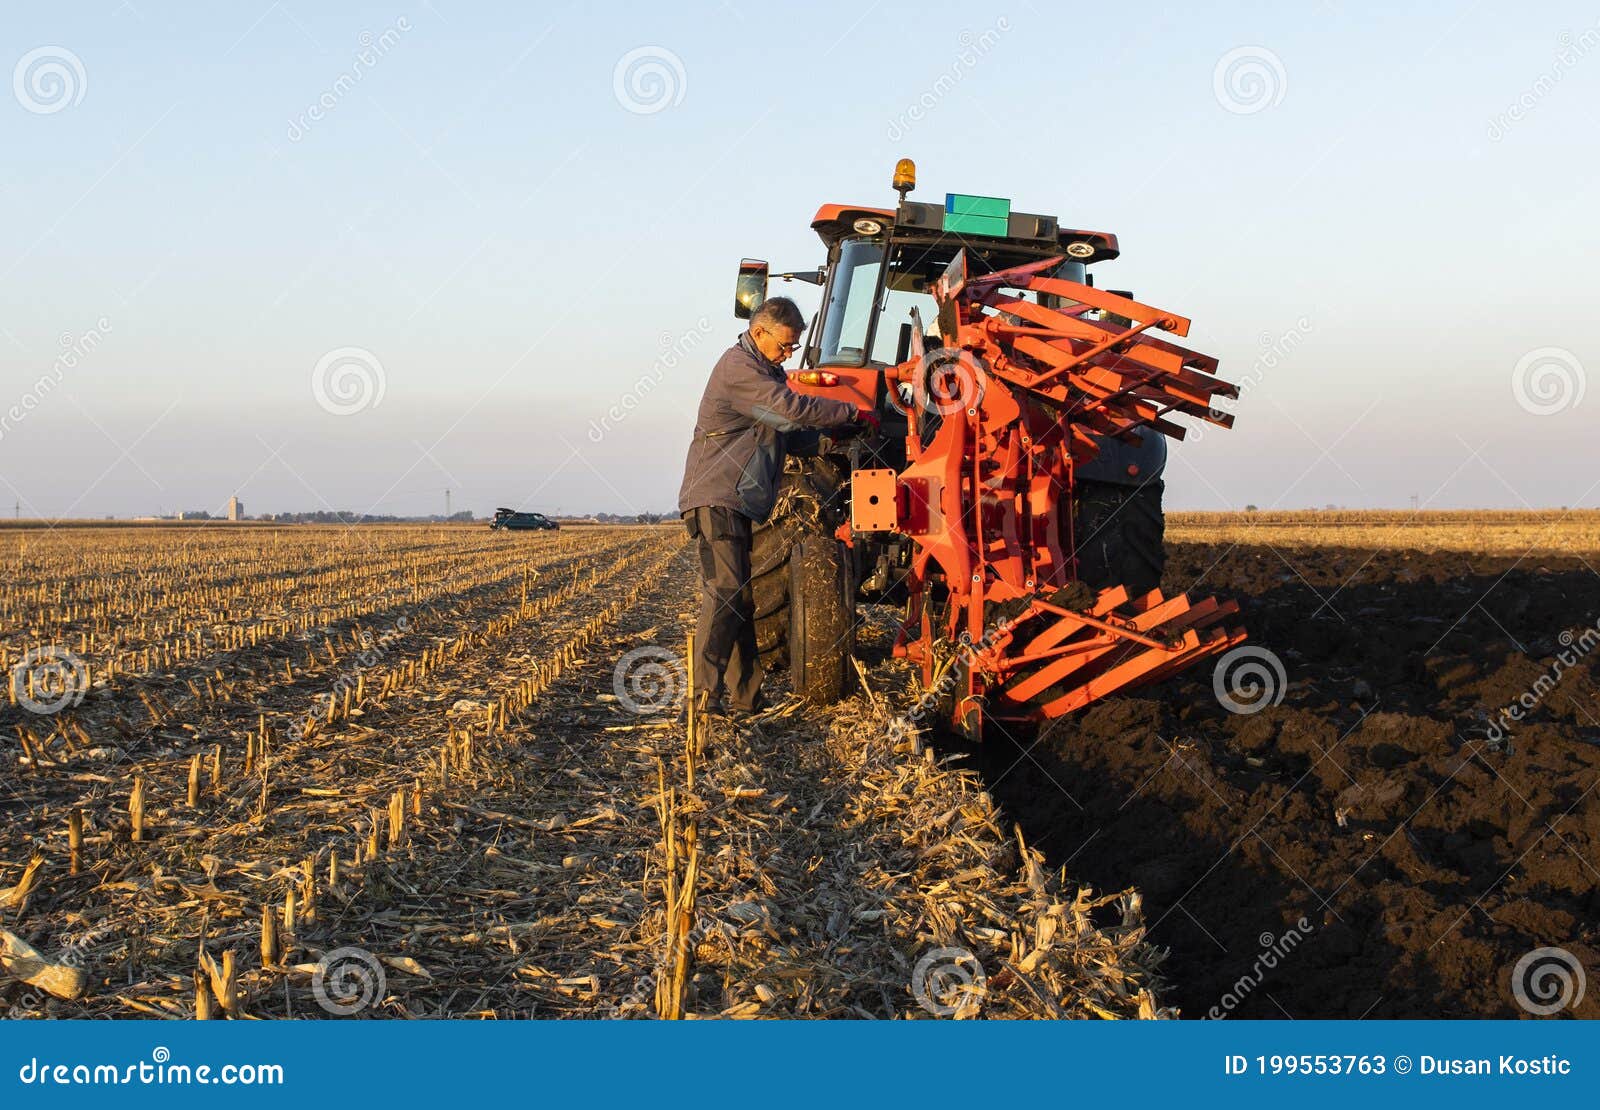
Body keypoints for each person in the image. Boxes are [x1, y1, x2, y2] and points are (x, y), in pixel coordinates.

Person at [677, 297, 865, 718]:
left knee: (740, 599)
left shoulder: (766, 371)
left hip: (739, 500)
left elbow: (784, 434)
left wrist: (835, 439)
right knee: (725, 593)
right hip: (716, 495)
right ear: (759, 331)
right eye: (784, 345)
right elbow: (790, 409)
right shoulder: (738, 369)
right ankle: (701, 700)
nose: (788, 354)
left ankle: (748, 699)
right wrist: (850, 409)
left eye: (794, 347)